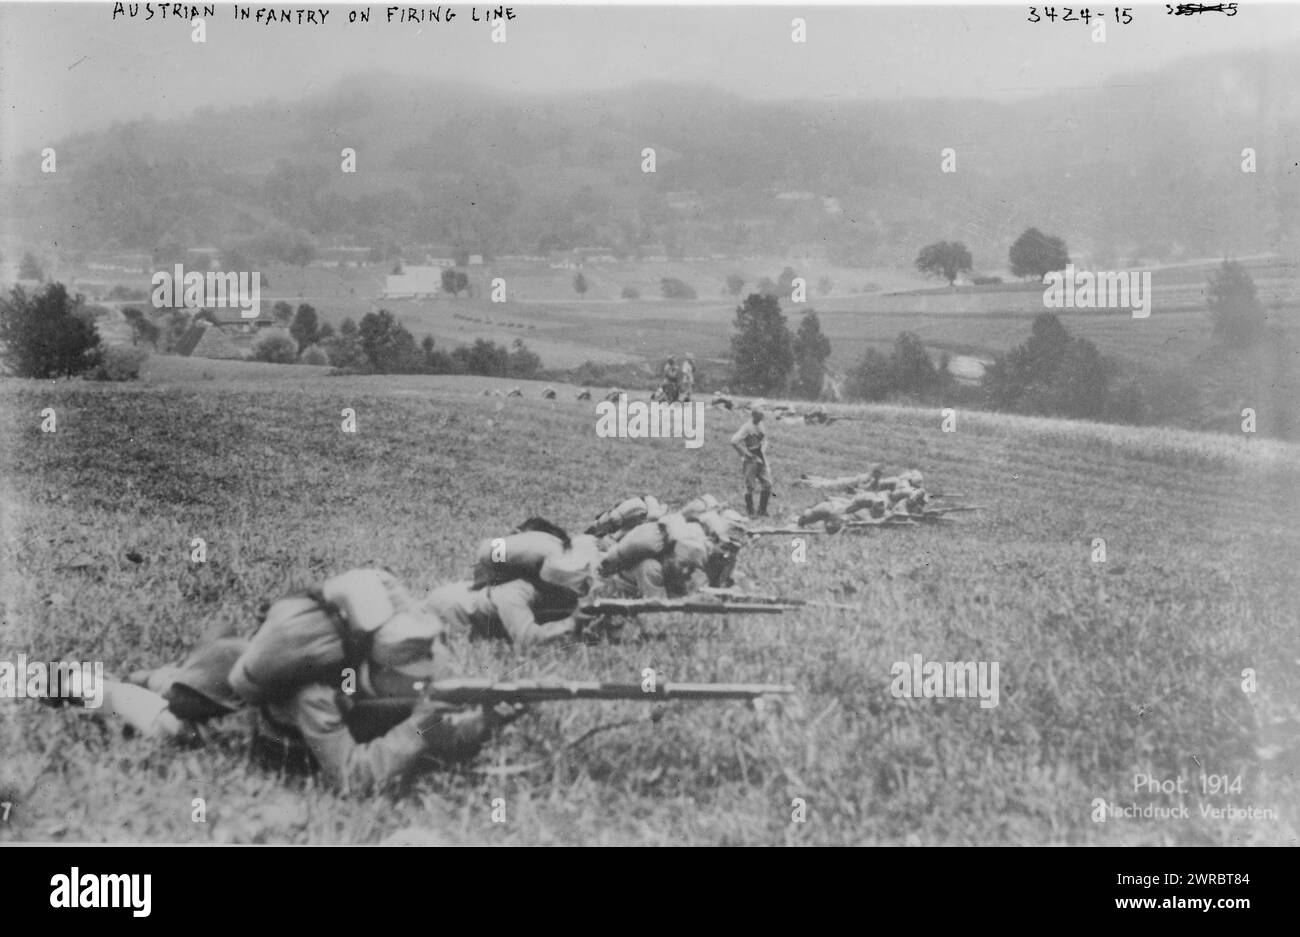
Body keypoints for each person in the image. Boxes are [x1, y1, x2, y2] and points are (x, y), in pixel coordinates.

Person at [229, 568, 515, 795]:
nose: (424, 685)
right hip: (280, 745)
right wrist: (418, 730)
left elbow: (432, 729)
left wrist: (481, 722)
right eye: (413, 681)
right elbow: (351, 779)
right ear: (379, 672)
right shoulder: (316, 695)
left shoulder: (364, 680)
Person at [424, 538, 599, 648]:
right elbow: (527, 639)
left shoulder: (547, 590)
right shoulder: (513, 592)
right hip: (447, 611)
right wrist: (572, 624)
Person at [730, 407, 773, 517]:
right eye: (759, 417)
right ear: (753, 416)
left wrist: (763, 448)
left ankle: (762, 510)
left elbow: (764, 439)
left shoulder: (760, 424)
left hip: (760, 457)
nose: (761, 419)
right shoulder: (747, 427)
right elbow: (734, 441)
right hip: (751, 459)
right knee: (750, 486)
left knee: (767, 484)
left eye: (762, 417)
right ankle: (750, 511)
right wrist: (745, 453)